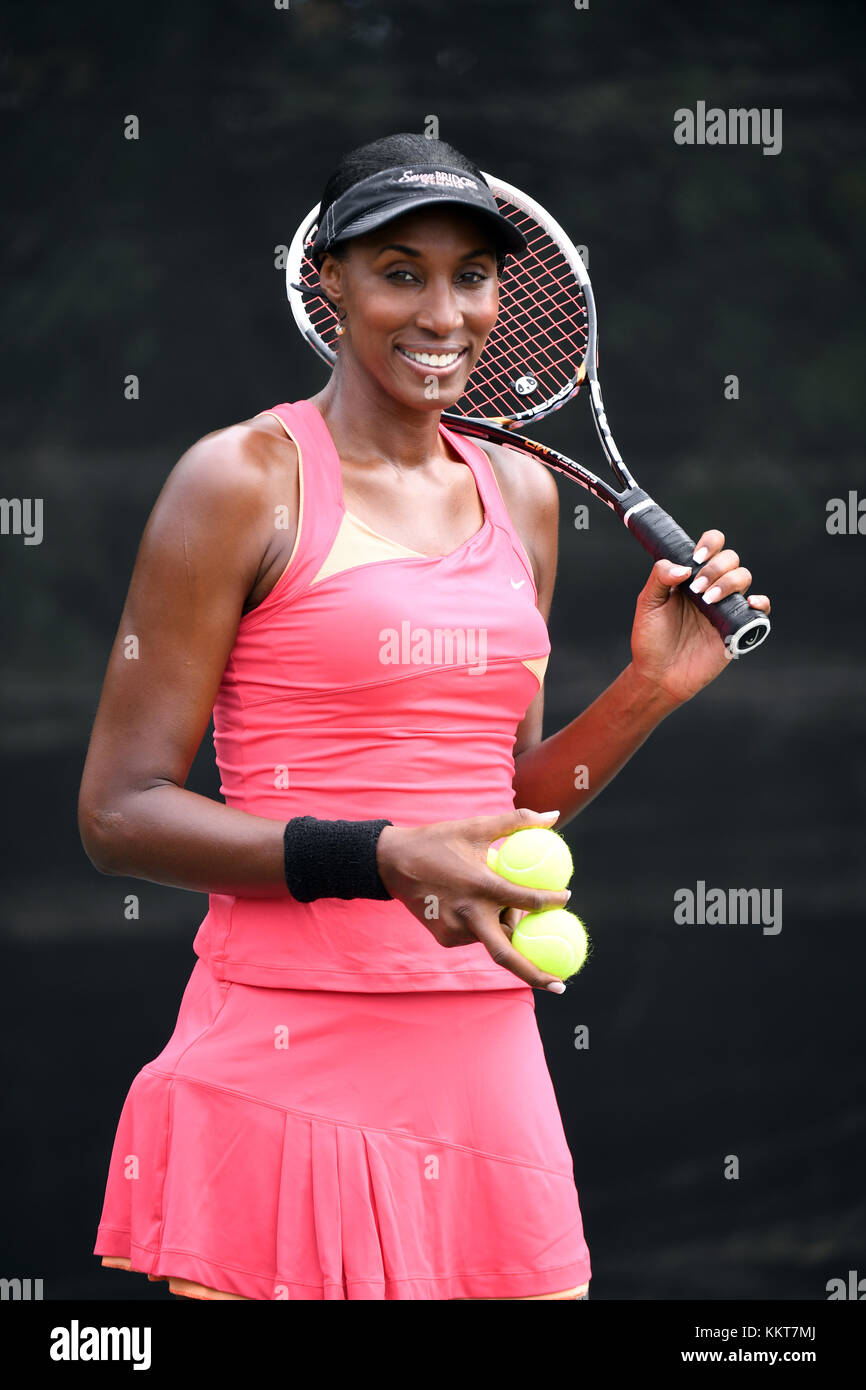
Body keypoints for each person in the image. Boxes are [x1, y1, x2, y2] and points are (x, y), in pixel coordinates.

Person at [79, 132, 771, 1302]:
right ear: (328, 285)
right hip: (279, 1059)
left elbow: (510, 814)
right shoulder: (240, 478)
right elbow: (118, 814)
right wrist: (379, 853)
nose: (441, 311)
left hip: (482, 1054)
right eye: (400, 270)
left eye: (470, 275)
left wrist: (646, 686)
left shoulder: (522, 495)